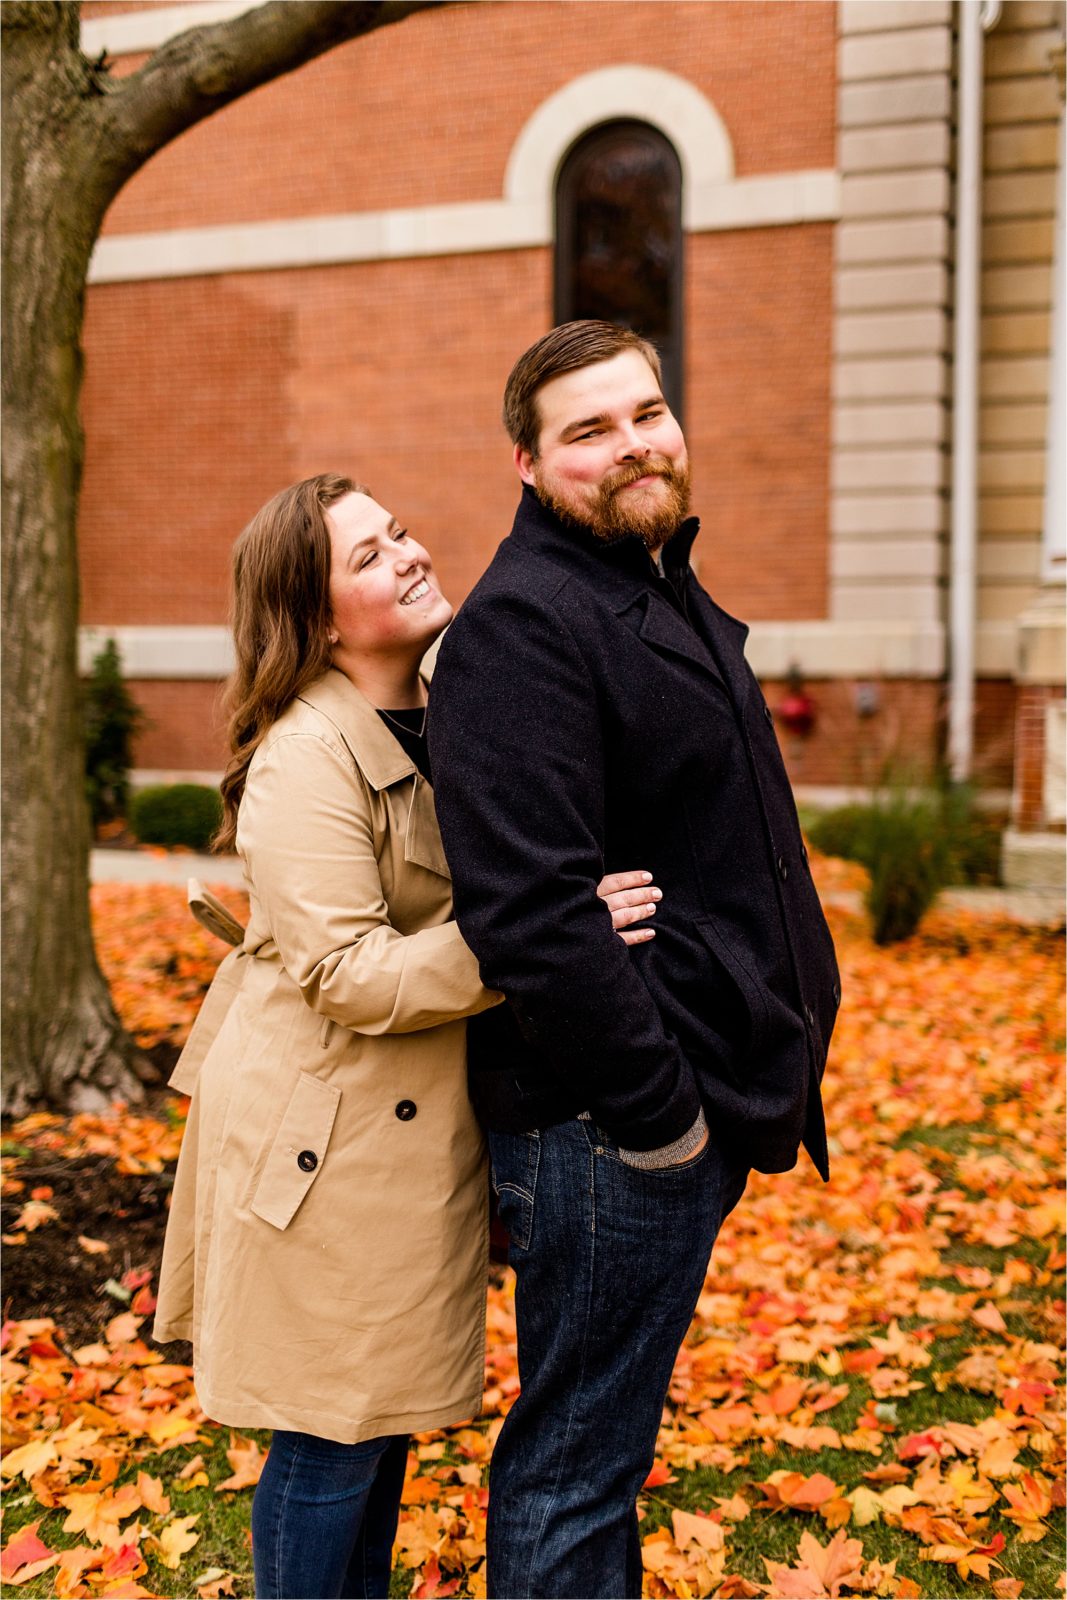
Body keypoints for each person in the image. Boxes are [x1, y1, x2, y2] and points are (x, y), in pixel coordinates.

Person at [152, 472, 665, 1600]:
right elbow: (345, 973)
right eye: (371, 556)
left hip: (393, 1124)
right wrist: (541, 938)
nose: (411, 554)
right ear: (319, 615)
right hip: (323, 1139)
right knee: (332, 1434)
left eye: (399, 532)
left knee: (372, 1421)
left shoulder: (439, 708)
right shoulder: (305, 756)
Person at [427, 321, 842, 1599]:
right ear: (526, 463)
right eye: (589, 431)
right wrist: (663, 1121)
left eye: (646, 412)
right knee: (570, 1463)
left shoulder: (653, 580)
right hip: (608, 1128)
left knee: (603, 1450)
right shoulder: (523, 628)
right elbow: (535, 916)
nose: (633, 445)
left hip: (689, 1094)